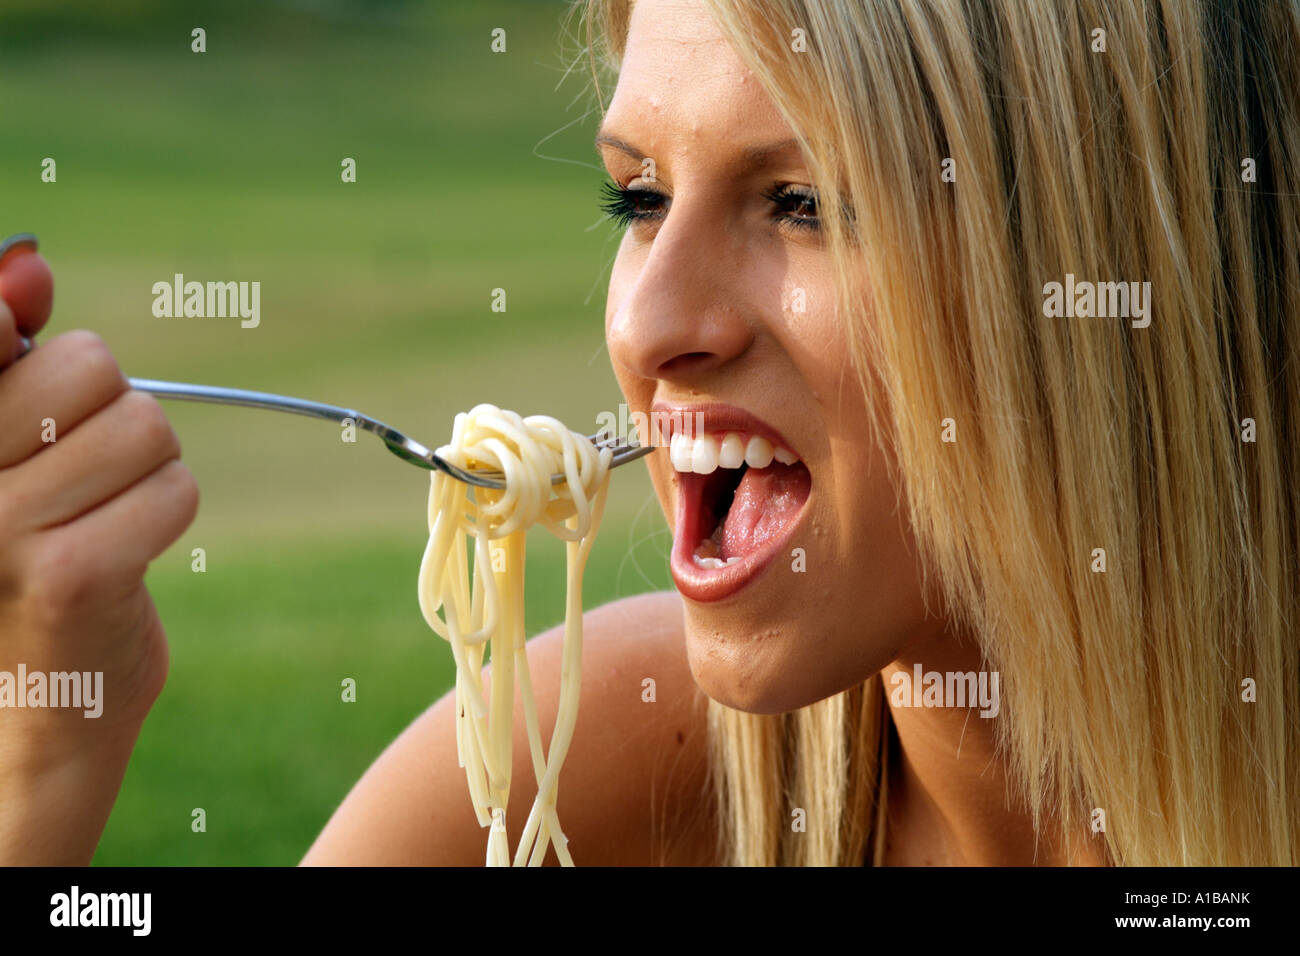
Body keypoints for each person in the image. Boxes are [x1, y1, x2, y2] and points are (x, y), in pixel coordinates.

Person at [2, 0, 1296, 866]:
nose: (649, 326)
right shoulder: (559, 772)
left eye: (802, 200)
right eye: (639, 196)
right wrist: (45, 761)